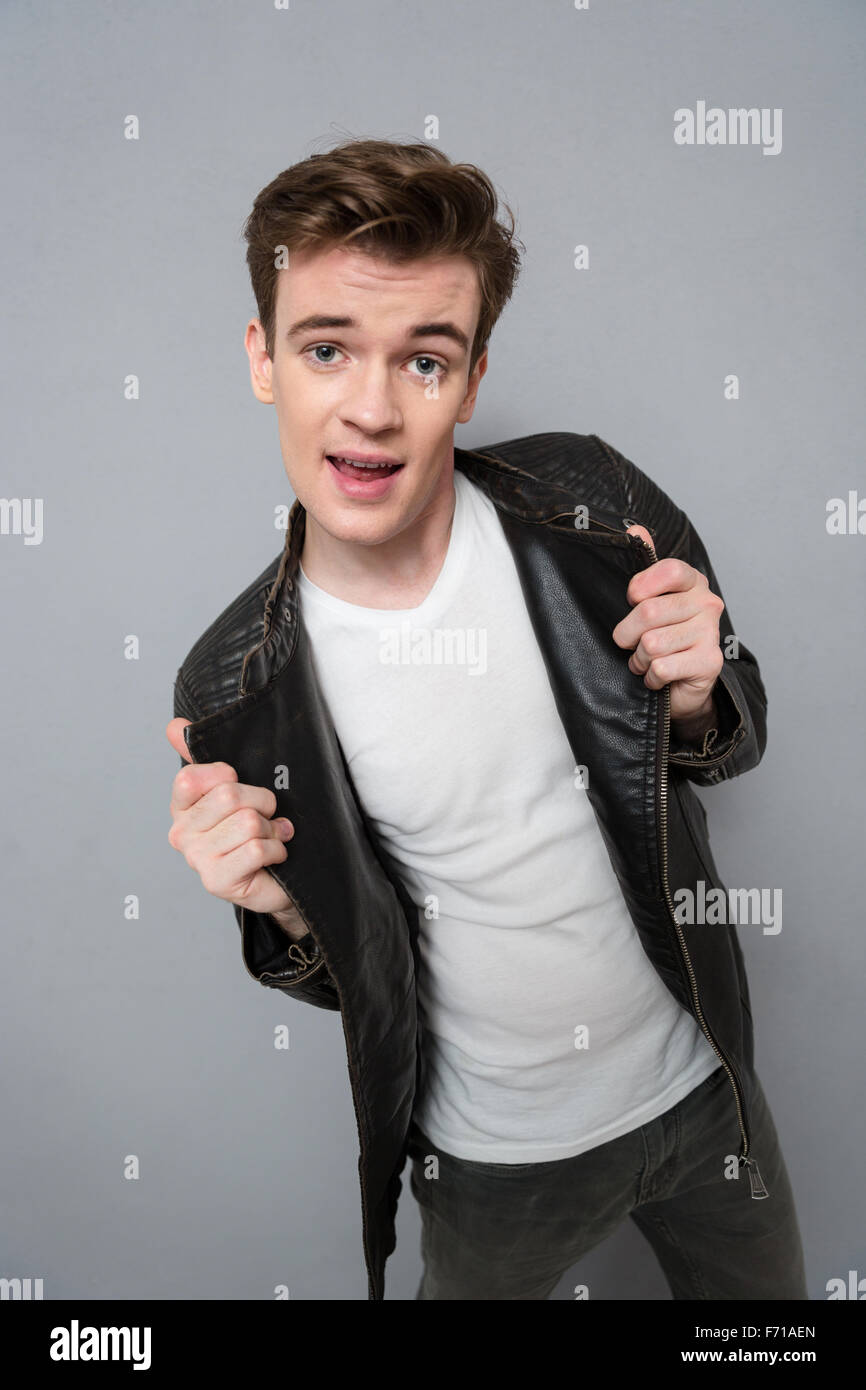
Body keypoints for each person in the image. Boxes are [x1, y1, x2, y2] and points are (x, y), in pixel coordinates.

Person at [166, 137, 807, 1301]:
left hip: (707, 1086)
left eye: (422, 359)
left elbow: (736, 733)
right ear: (264, 358)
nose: (369, 408)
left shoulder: (593, 505)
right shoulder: (230, 687)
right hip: (498, 1163)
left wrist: (700, 685)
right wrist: (275, 905)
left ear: (467, 378)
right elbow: (348, 979)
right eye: (325, 348)